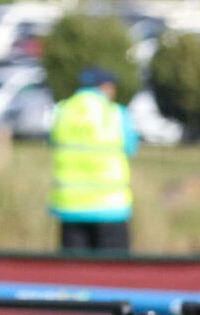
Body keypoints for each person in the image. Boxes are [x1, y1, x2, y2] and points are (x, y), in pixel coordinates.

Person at [50, 66, 138, 253]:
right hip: (109, 207)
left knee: (75, 276)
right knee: (112, 275)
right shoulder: (114, 113)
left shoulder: (62, 111)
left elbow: (53, 144)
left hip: (70, 207)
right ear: (105, 86)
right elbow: (130, 147)